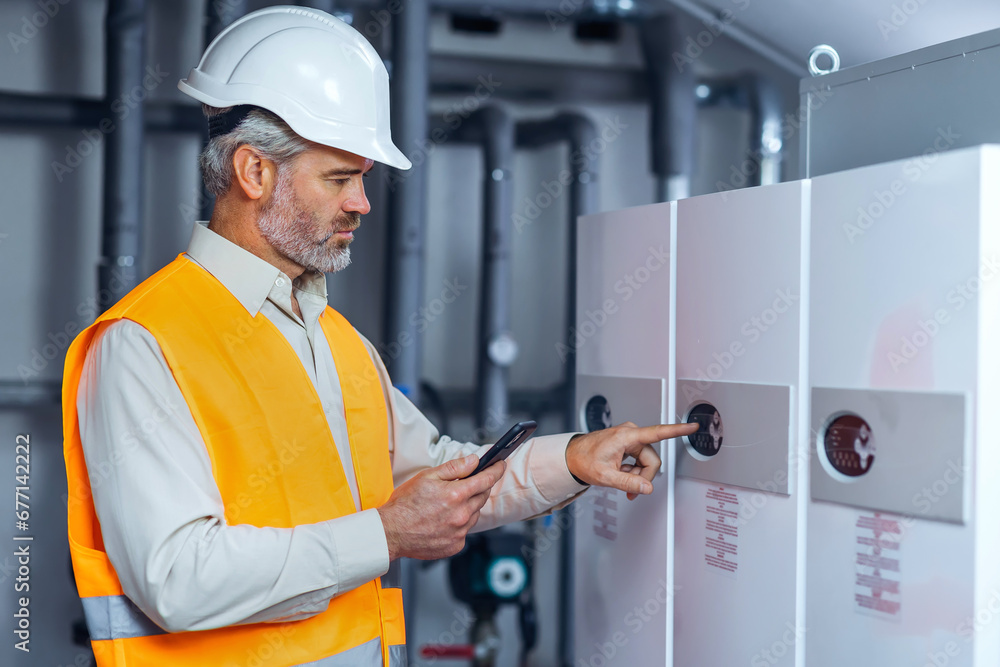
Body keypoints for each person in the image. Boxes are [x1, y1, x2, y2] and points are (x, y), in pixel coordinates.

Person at [61, 7, 697, 667]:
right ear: (254, 173)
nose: (363, 201)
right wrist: (386, 533)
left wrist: (575, 458)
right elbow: (177, 578)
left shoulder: (338, 341)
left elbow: (441, 475)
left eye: (362, 178)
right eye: (340, 178)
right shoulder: (143, 343)